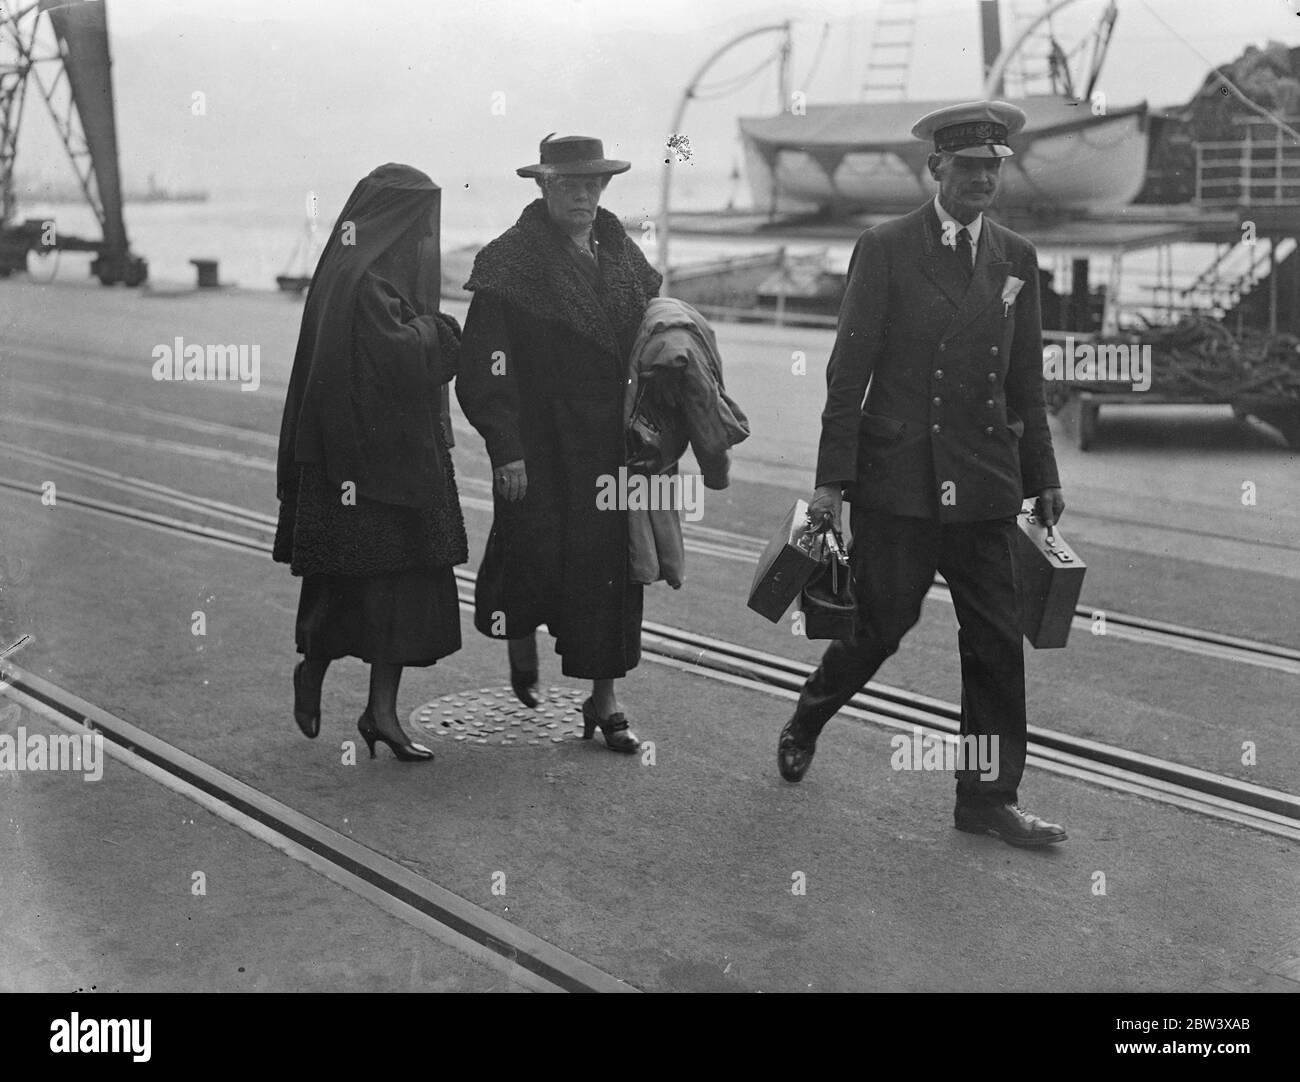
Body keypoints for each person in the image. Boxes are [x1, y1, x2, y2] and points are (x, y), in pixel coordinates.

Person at [777, 102, 1070, 847]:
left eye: (993, 167)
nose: (981, 179)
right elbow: (849, 374)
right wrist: (830, 485)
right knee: (880, 627)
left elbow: (1026, 380)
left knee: (997, 643)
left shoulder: (1016, 258)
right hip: (901, 482)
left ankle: (987, 799)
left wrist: (1044, 475)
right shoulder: (886, 248)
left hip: (984, 481)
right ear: (935, 168)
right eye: (968, 167)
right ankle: (810, 712)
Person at [457, 134, 662, 753]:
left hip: (610, 447)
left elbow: (650, 335)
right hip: (539, 445)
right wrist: (505, 446)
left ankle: (604, 699)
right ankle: (521, 642)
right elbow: (484, 366)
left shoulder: (624, 255)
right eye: (569, 183)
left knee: (611, 572)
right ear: (542, 186)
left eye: (592, 183)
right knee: (534, 554)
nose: (583, 194)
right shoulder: (508, 263)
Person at [274, 163, 467, 763]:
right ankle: (315, 670)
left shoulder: (359, 269)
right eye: (420, 221)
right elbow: (405, 357)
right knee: (354, 584)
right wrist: (442, 329)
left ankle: (380, 714)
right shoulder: (366, 280)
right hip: (356, 466)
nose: (427, 236)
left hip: (396, 461)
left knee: (401, 592)